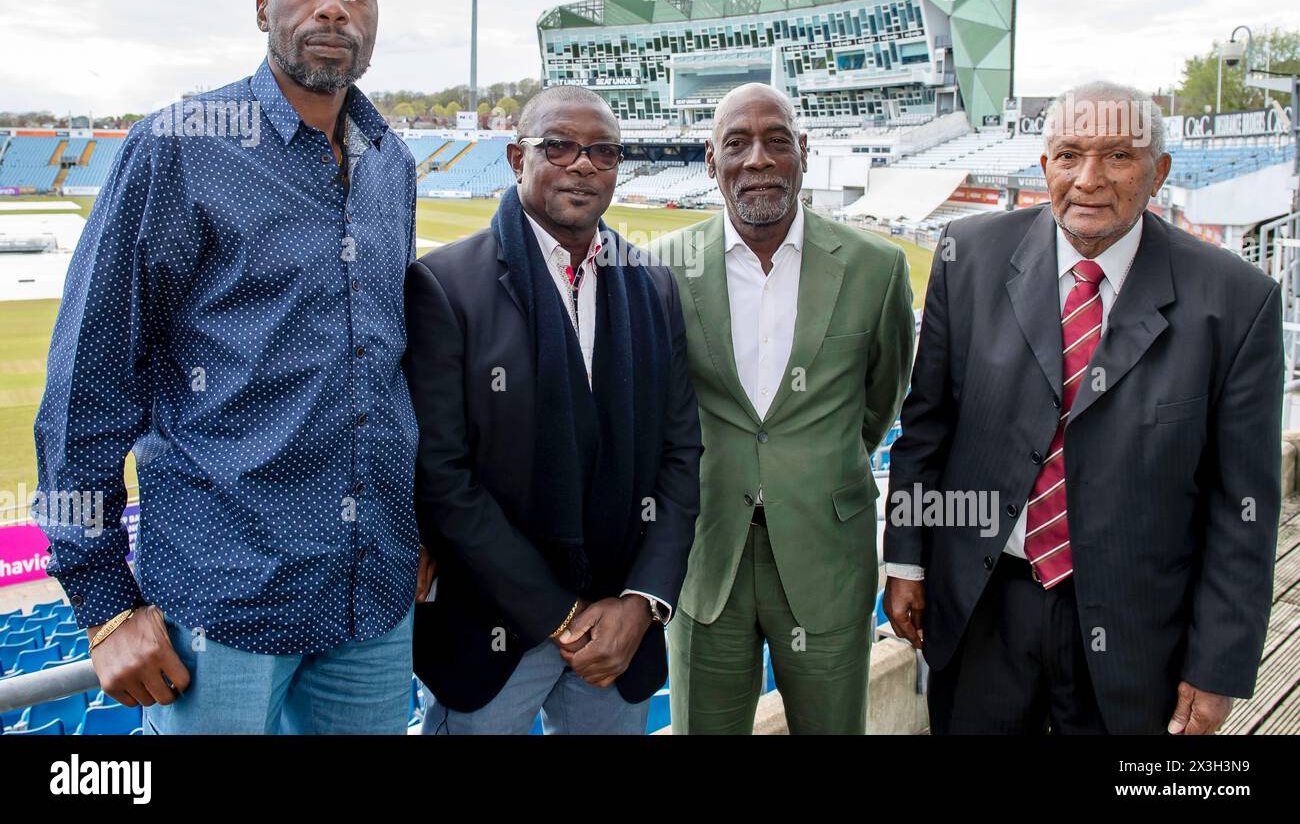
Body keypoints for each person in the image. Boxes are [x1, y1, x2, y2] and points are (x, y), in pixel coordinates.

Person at [33, 0, 420, 734]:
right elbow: (87, 382)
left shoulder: (393, 162)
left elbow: (385, 363)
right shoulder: (179, 148)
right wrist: (103, 601)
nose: (334, 7)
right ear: (261, 7)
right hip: (225, 598)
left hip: (371, 598)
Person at [884, 81, 1282, 735]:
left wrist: (1218, 666)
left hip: (1136, 630)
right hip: (984, 608)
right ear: (1045, 168)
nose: (1089, 178)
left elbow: (1242, 506)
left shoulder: (1236, 302)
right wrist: (906, 560)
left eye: (1118, 157)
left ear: (1159, 172)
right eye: (1069, 154)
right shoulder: (970, 258)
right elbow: (927, 427)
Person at [404, 85, 701, 735]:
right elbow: (444, 482)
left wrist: (640, 602)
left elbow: (680, 458)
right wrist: (561, 613)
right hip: (491, 631)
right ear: (516, 158)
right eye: (559, 146)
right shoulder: (445, 284)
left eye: (603, 151)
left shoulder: (653, 285)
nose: (583, 163)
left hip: (620, 634)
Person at [649, 83, 915, 734]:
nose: (758, 158)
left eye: (776, 140)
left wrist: (813, 467)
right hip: (708, 563)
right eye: (737, 143)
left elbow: (880, 404)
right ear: (711, 161)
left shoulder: (876, 268)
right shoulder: (660, 270)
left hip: (828, 556)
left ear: (803, 150)